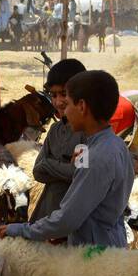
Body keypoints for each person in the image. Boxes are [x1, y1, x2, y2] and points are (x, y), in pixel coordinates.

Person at [1, 69, 133, 248]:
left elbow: (67, 219)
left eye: (68, 103)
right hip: (111, 244)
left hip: (92, 255)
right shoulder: (117, 145)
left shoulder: (95, 157)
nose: (64, 110)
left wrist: (18, 230)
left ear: (82, 107)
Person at [29, 58, 86, 224]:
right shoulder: (54, 131)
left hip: (73, 215)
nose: (58, 102)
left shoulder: (84, 132)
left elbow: (80, 174)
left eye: (64, 94)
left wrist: (48, 164)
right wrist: (65, 169)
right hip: (48, 212)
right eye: (53, 95)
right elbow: (37, 172)